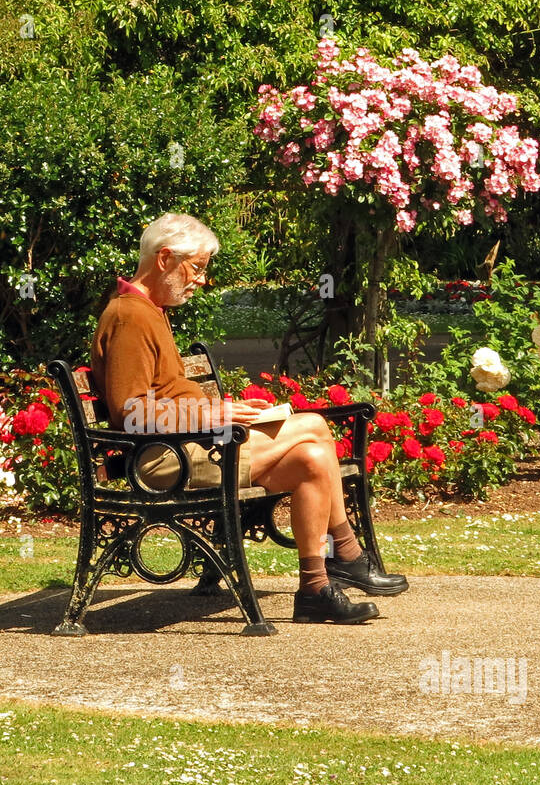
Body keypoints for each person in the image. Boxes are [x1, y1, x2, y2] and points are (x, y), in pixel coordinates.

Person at [91, 212, 409, 624]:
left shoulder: (149, 310)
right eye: (197, 267)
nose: (202, 279)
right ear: (165, 258)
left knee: (312, 460)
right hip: (163, 460)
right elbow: (131, 414)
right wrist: (213, 413)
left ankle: (315, 589)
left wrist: (216, 414)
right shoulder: (128, 316)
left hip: (190, 445)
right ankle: (346, 553)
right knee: (312, 425)